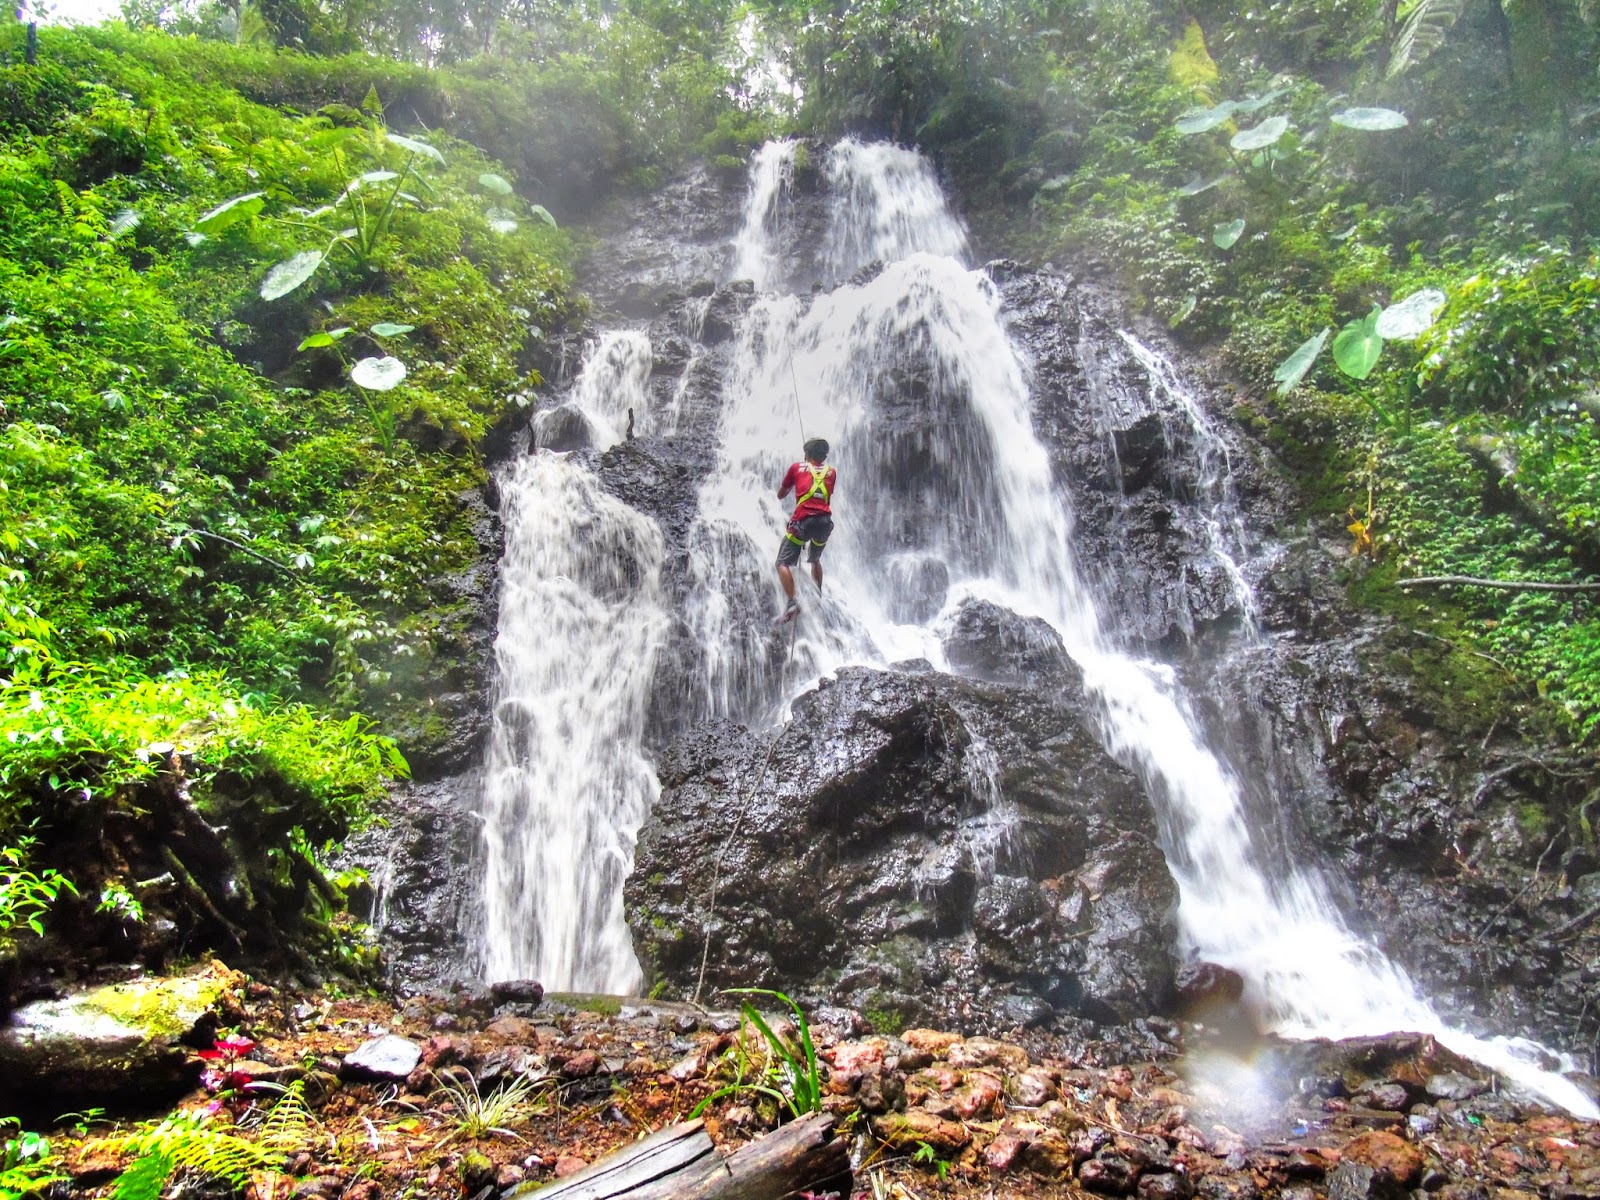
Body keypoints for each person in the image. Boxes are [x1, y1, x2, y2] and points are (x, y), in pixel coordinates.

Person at [774, 437, 836, 625]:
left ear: (807, 454)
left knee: (782, 563)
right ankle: (817, 593)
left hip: (803, 522)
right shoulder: (831, 472)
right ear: (823, 456)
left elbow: (781, 494)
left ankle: (792, 602)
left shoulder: (796, 468)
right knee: (815, 559)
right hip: (824, 523)